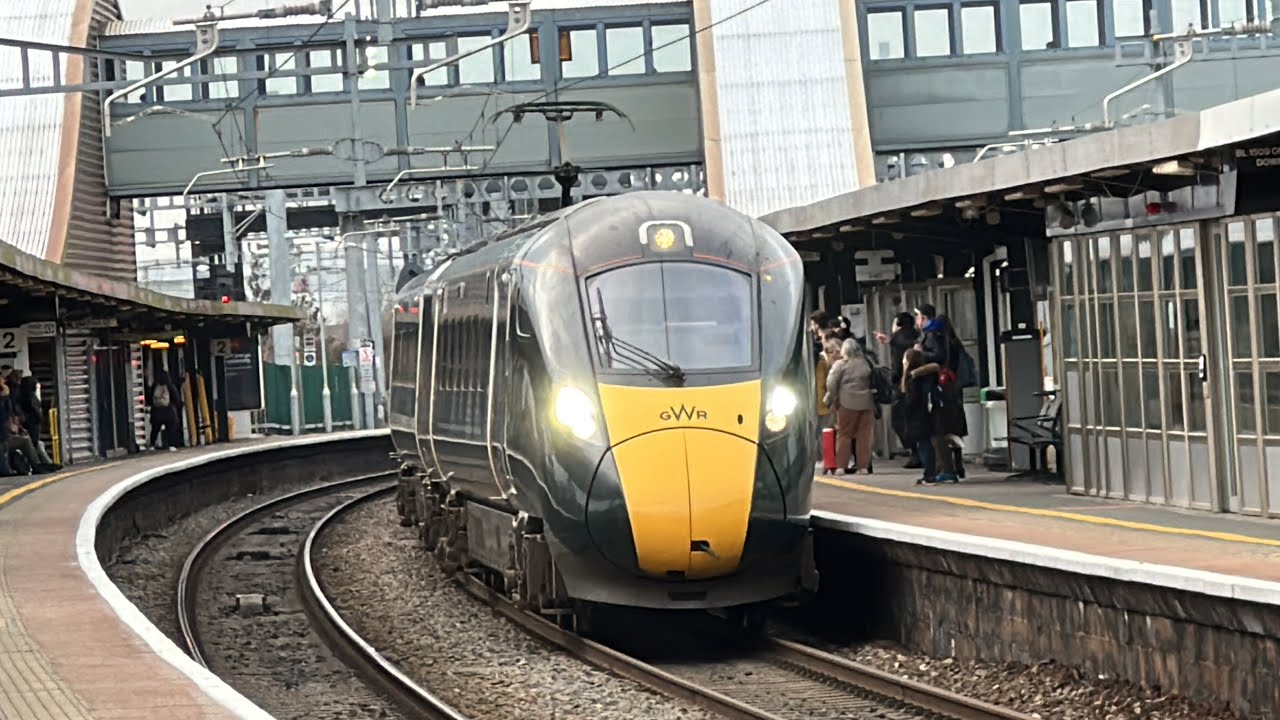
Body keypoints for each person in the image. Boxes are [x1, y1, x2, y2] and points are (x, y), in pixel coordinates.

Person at [914, 305, 968, 483]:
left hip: (939, 388)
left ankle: (946, 470)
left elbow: (937, 356)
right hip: (950, 387)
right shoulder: (947, 336)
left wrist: (921, 354)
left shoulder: (933, 335)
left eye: (918, 317)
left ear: (924, 318)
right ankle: (954, 467)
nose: (917, 321)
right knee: (949, 428)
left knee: (938, 429)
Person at [824, 338, 877, 476]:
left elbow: (831, 384)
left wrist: (831, 398)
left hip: (847, 403)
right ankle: (863, 467)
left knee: (844, 435)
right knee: (864, 436)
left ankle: (841, 466)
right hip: (867, 403)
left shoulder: (840, 364)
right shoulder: (866, 363)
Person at [876, 312, 921, 468]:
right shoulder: (916, 336)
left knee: (900, 420)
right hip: (919, 383)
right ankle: (922, 453)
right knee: (917, 419)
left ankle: (915, 453)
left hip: (903, 385)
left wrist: (891, 379)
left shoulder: (897, 341)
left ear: (898, 324)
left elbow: (897, 365)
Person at [901, 348, 940, 485]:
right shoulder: (927, 377)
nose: (903, 361)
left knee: (924, 445)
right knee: (927, 444)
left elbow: (912, 401)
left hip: (918, 416)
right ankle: (931, 473)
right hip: (928, 414)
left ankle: (929, 475)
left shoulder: (913, 380)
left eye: (905, 359)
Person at [149, 369, 181, 451]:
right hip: (168, 411)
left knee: (155, 429)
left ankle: (152, 445)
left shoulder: (155, 386)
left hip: (157, 411)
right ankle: (172, 445)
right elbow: (176, 398)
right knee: (171, 428)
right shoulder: (170, 386)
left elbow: (150, 398)